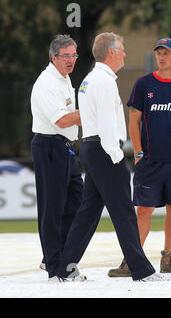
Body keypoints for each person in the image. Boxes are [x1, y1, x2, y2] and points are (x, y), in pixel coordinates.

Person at [55, 32, 165, 282]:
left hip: (93, 149)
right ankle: (142, 270)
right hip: (104, 150)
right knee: (124, 211)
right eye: (123, 48)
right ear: (112, 52)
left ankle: (66, 267)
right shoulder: (104, 81)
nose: (125, 53)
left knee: (89, 211)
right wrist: (116, 155)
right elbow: (105, 122)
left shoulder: (89, 79)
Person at [108, 38, 171, 277]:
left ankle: (168, 257)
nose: (162, 57)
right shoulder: (143, 84)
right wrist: (138, 151)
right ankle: (132, 259)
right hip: (150, 160)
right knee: (143, 210)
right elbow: (134, 120)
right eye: (159, 53)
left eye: (167, 53)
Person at [30, 34, 83, 280]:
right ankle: (55, 266)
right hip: (49, 146)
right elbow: (62, 120)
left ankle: (55, 255)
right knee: (52, 207)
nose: (71, 60)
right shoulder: (47, 83)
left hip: (64, 147)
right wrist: (93, 111)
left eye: (74, 55)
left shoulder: (64, 77)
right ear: (54, 57)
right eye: (66, 56)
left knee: (77, 200)